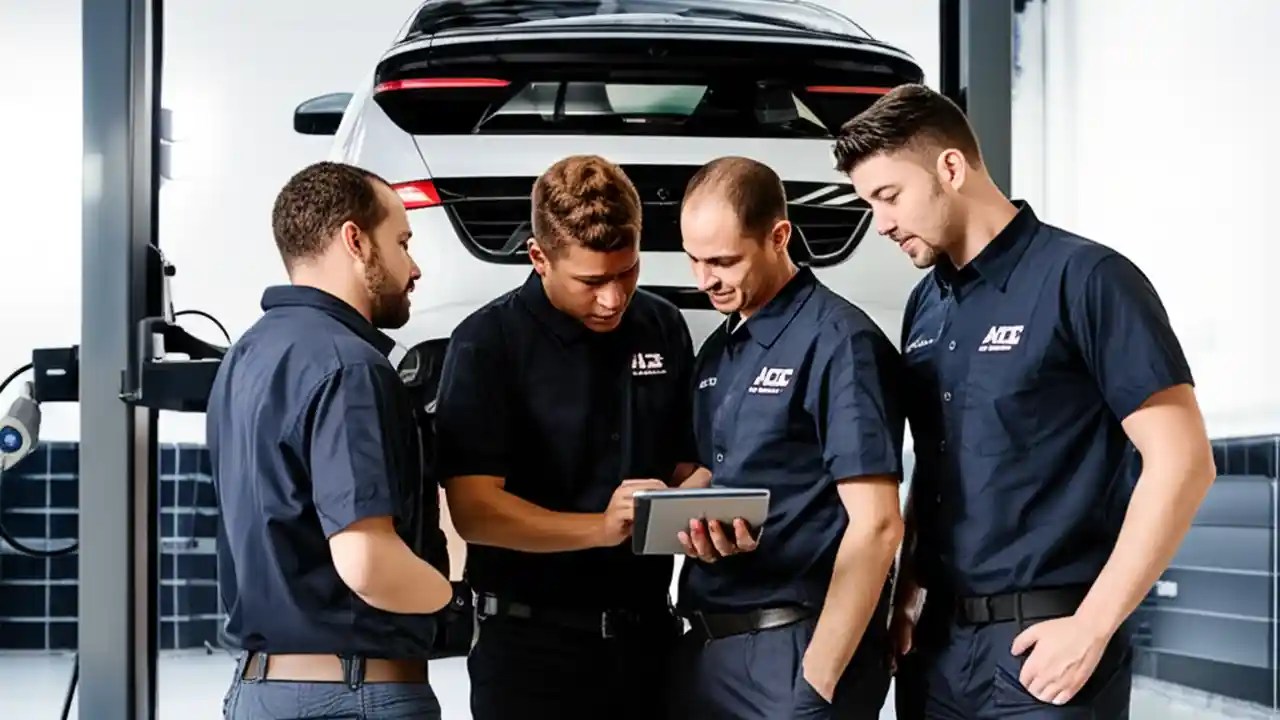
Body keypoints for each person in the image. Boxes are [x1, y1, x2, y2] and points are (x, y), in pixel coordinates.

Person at [833, 83, 1217, 719]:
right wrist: (906, 595)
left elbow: (1184, 462)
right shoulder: (925, 306)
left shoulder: (1088, 279)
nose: (881, 224)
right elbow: (936, 465)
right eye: (869, 203)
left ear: (950, 168)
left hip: (1047, 645)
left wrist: (1092, 627)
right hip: (937, 650)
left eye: (889, 196)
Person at [432, 154, 710, 720]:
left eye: (626, 272)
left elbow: (690, 465)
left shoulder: (663, 326)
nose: (613, 298)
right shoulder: (486, 343)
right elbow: (474, 511)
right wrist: (600, 529)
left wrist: (692, 506)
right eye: (591, 281)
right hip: (530, 653)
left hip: (649, 643)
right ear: (539, 257)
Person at [208, 161, 455, 719]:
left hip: (257, 693)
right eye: (402, 242)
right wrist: (456, 600)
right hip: (354, 696)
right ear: (355, 241)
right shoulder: (351, 365)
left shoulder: (244, 357)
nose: (413, 267)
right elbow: (368, 563)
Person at [673, 156, 906, 719]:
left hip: (795, 650)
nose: (705, 280)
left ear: (779, 237)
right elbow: (718, 472)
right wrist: (676, 511)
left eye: (723, 261)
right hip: (707, 648)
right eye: (694, 260)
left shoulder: (841, 342)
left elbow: (878, 525)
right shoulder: (718, 350)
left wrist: (817, 682)